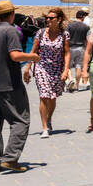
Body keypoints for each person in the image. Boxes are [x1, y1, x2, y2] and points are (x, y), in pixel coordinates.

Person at [0, 0, 40, 173]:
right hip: (9, 83)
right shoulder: (11, 30)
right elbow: (15, 56)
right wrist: (32, 57)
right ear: (11, 14)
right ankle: (10, 158)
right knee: (21, 120)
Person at [25, 9, 70, 138]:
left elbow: (67, 53)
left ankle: (49, 119)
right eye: (48, 18)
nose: (48, 20)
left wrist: (66, 69)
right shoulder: (40, 33)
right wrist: (28, 67)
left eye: (51, 18)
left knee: (52, 97)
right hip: (41, 67)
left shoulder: (64, 35)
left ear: (59, 19)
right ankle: (44, 127)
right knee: (44, 96)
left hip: (56, 69)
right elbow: (33, 52)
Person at [66, 9, 90, 92]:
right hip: (81, 48)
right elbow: (87, 40)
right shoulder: (86, 27)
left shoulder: (70, 25)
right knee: (79, 66)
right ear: (82, 17)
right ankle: (76, 86)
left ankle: (70, 79)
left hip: (70, 47)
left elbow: (66, 37)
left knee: (67, 66)